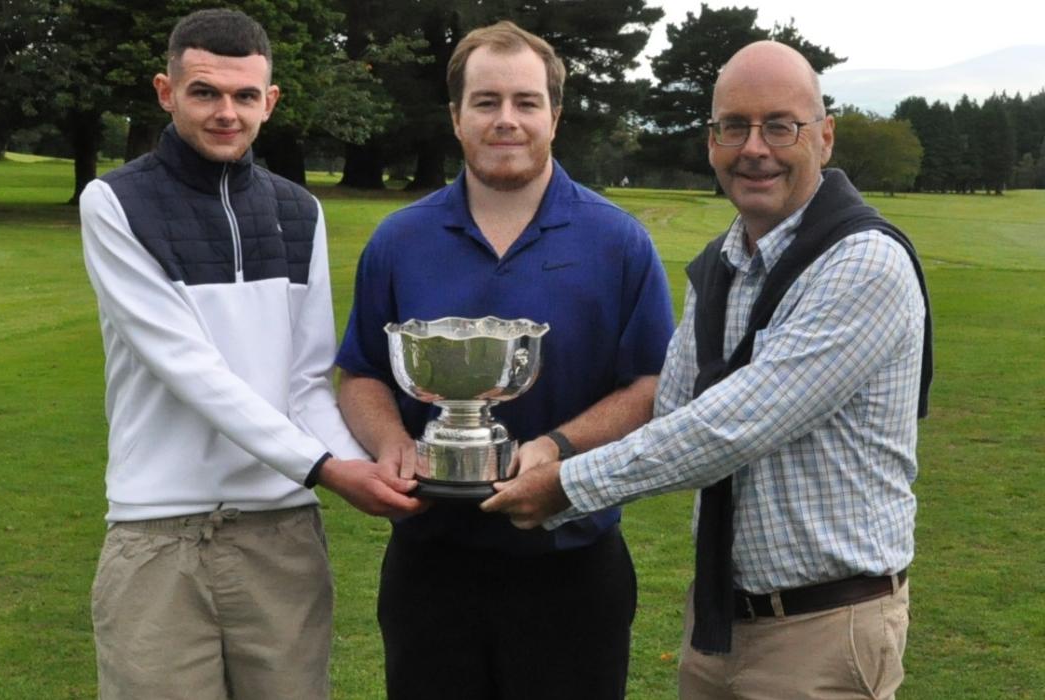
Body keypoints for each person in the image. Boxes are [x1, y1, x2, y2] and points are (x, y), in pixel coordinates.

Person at [483, 40, 933, 700]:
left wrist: (566, 485)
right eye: (733, 127)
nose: (755, 148)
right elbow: (675, 416)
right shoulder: (722, 265)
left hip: (823, 633)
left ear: (825, 136)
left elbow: (732, 429)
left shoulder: (864, 264)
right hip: (718, 623)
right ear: (710, 140)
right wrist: (555, 447)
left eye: (780, 125)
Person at [78, 9, 421, 699]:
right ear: (166, 92)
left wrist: (371, 467)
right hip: (157, 537)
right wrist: (328, 468)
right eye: (205, 92)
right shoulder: (114, 203)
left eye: (244, 96)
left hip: (281, 536)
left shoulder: (300, 213)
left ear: (270, 102)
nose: (225, 113)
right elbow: (189, 371)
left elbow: (303, 383)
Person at [334, 21, 676, 700]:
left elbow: (653, 383)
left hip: (572, 561)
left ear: (555, 115)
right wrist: (392, 441)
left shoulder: (618, 241)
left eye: (526, 102)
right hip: (430, 563)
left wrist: (556, 447)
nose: (507, 120)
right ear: (456, 117)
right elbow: (363, 372)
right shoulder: (400, 239)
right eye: (486, 102)